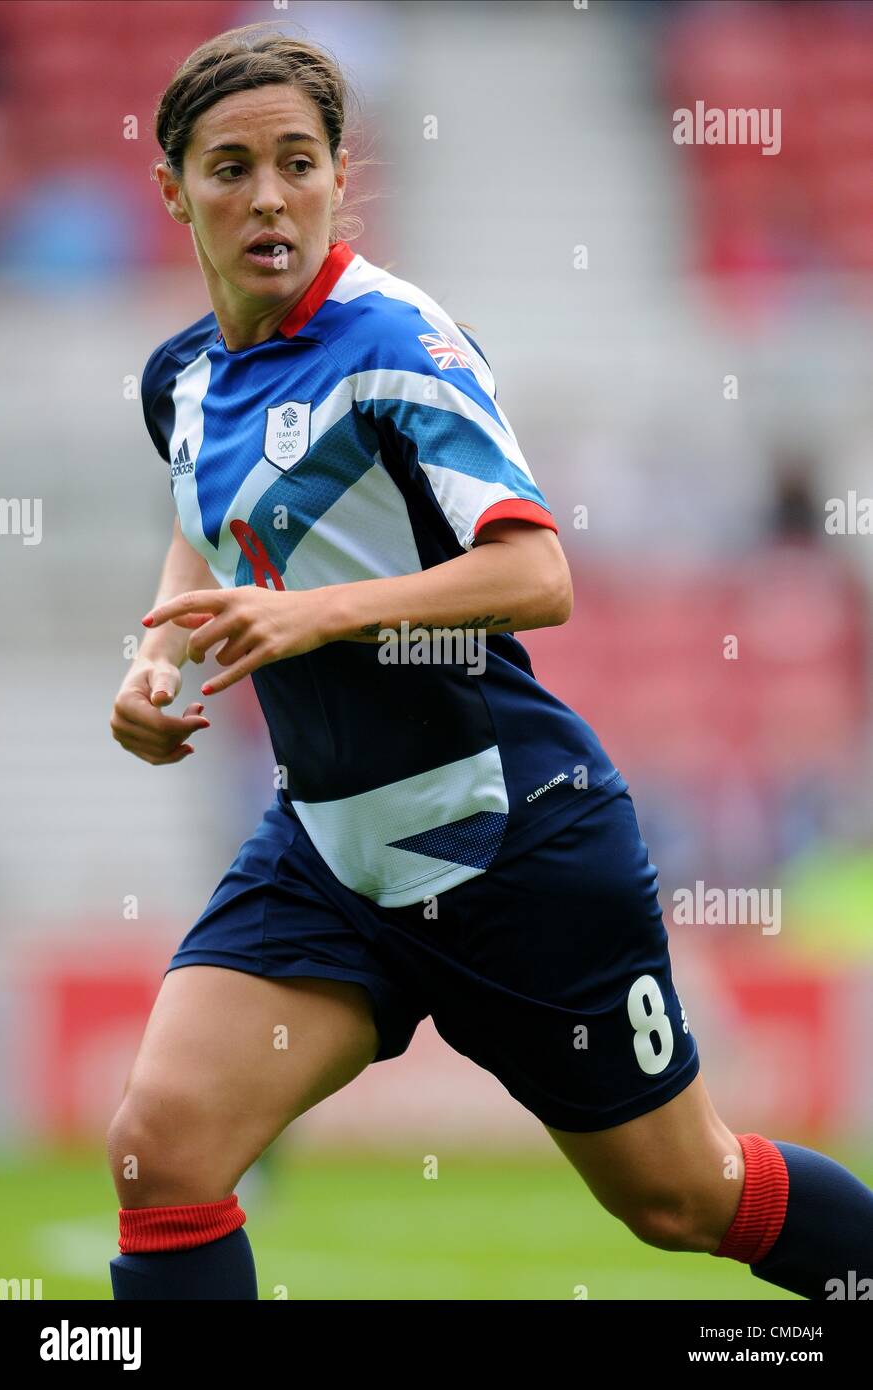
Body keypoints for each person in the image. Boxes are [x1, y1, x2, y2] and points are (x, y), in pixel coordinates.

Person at [107, 23, 873, 1301]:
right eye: (229, 167)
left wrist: (314, 615)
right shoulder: (179, 378)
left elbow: (536, 577)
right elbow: (202, 530)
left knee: (684, 1197)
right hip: (332, 854)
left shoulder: (397, 344)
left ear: (339, 177)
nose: (266, 195)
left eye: (297, 161)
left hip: (511, 840)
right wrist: (153, 660)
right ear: (173, 190)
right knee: (161, 1149)